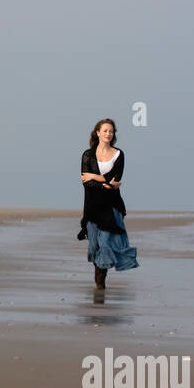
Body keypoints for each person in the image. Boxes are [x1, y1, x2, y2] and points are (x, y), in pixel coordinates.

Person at [77, 118, 139, 288]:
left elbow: (116, 179)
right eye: (105, 131)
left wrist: (95, 176)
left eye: (111, 131)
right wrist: (105, 183)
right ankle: (99, 279)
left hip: (111, 207)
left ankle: (100, 285)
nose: (108, 134)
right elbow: (86, 182)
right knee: (95, 247)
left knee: (105, 244)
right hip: (91, 207)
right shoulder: (87, 155)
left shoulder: (119, 154)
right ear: (97, 133)